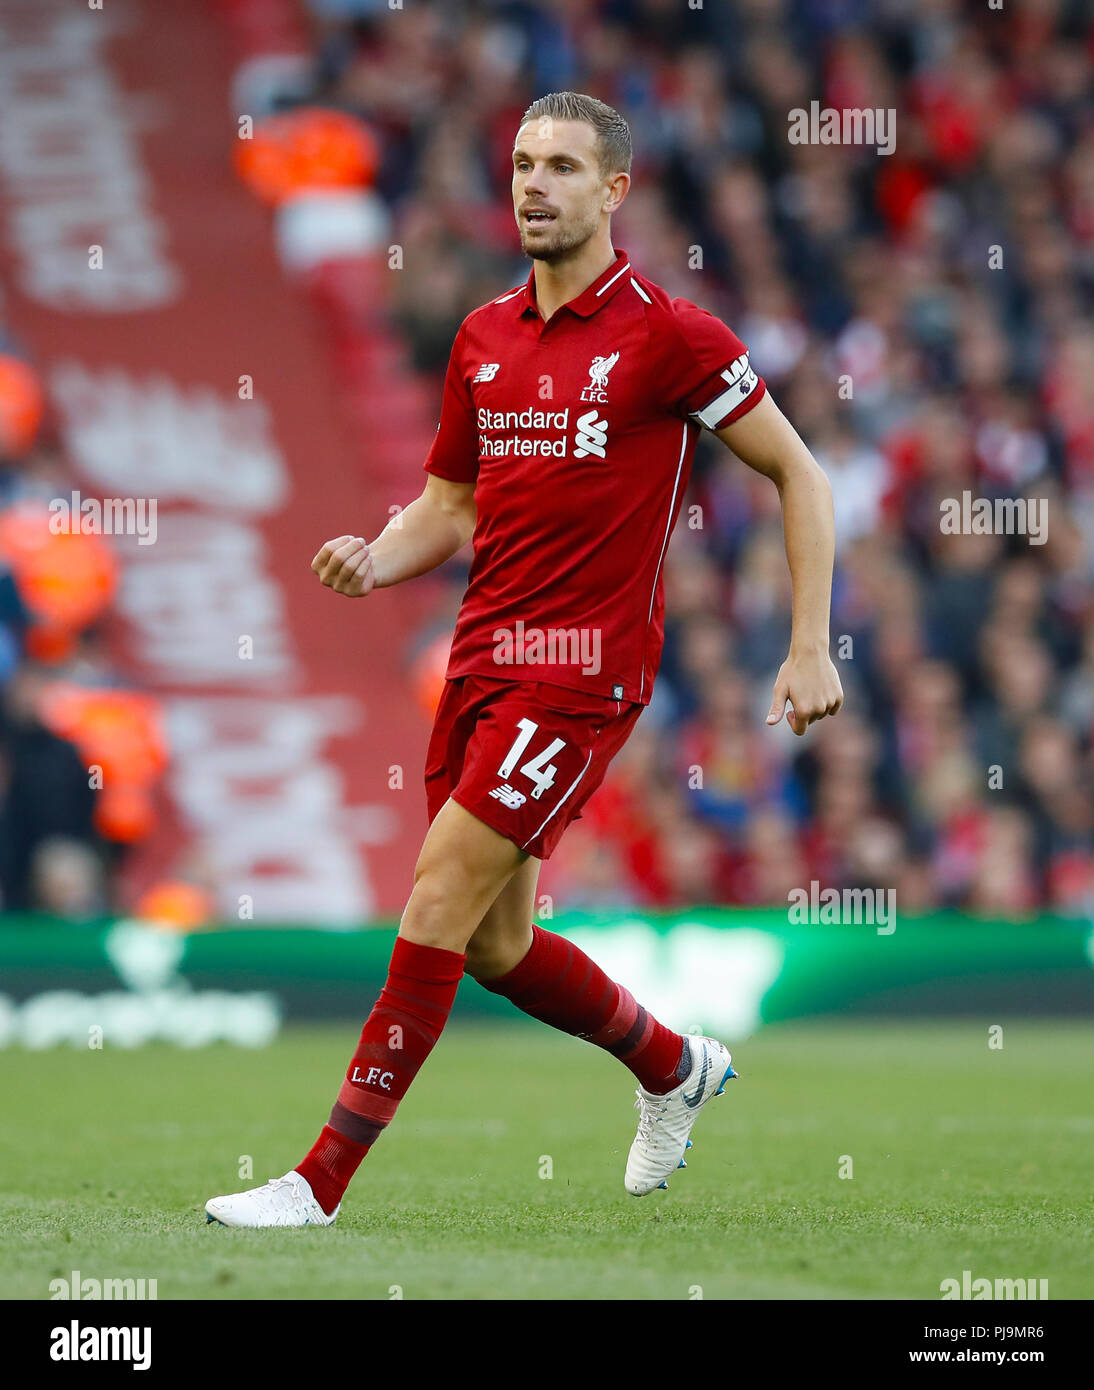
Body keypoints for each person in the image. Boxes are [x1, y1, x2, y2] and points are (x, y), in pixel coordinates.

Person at [206, 92, 843, 1228]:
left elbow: (799, 473)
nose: (533, 183)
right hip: (482, 663)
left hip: (581, 673)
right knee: (498, 944)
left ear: (613, 191)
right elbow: (447, 506)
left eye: (560, 165)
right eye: (520, 164)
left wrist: (805, 644)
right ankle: (671, 1068)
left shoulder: (669, 337)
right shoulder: (483, 336)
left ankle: (316, 1183)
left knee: (440, 889)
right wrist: (376, 555)